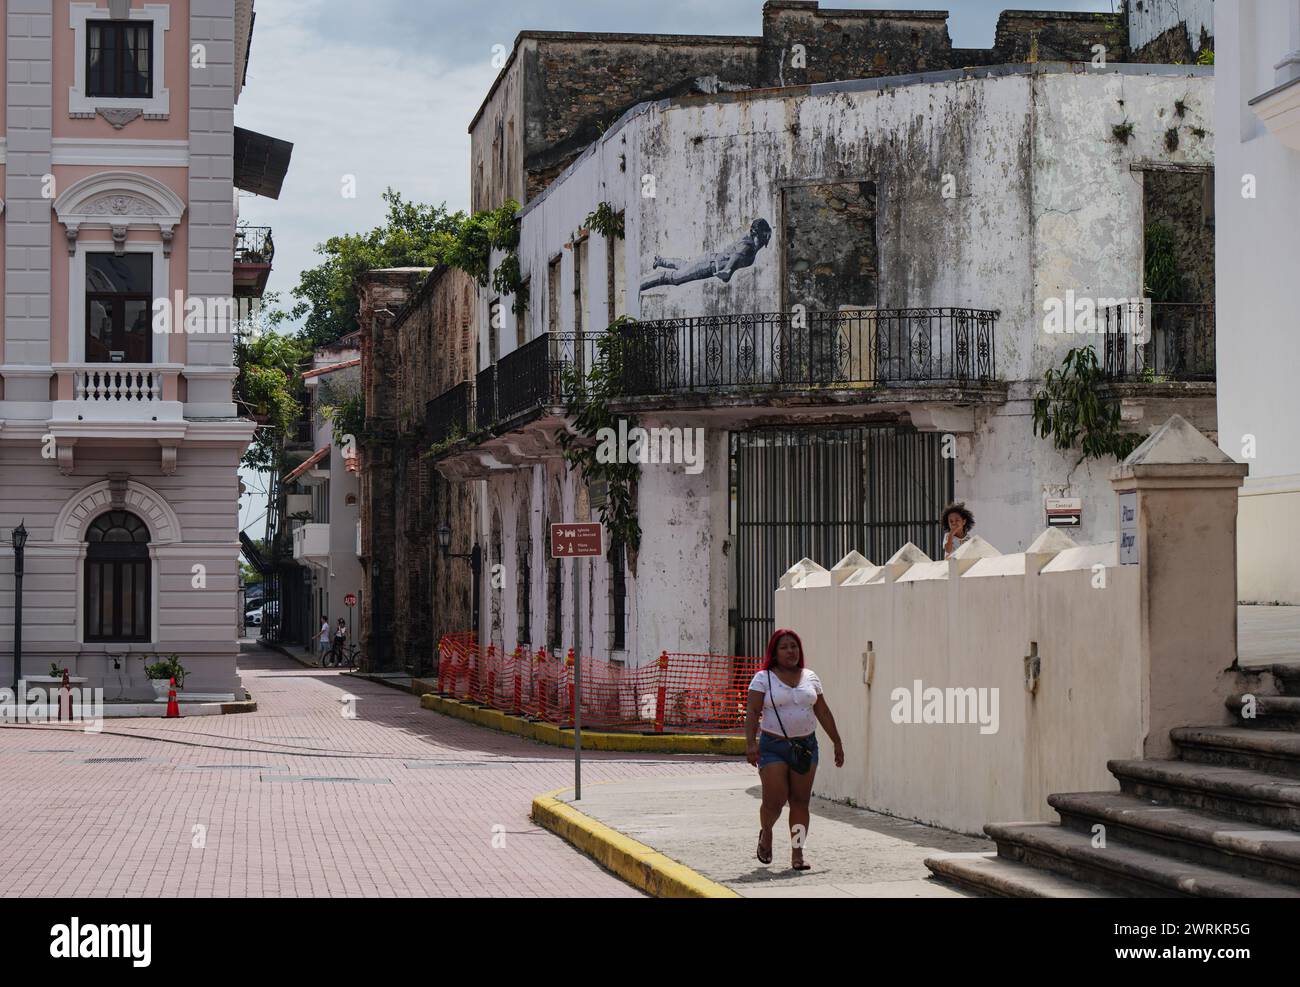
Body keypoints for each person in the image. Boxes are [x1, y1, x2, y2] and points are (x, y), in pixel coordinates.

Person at [745, 628, 844, 871]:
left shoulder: (811, 677)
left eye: (794, 646)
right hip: (773, 747)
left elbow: (822, 711)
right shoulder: (763, 678)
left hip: (806, 747)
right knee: (775, 802)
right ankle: (766, 832)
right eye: (784, 647)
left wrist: (837, 742)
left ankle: (797, 852)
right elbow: (752, 712)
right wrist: (750, 744)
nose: (791, 651)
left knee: (800, 802)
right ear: (774, 653)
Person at [639, 219, 772, 291]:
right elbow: (736, 256)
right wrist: (727, 270)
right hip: (708, 265)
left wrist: (728, 273)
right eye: (765, 237)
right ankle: (641, 285)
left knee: (685, 267)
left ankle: (661, 261)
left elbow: (736, 261)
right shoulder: (748, 246)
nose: (765, 241)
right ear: (759, 235)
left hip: (708, 264)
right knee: (676, 279)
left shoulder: (750, 245)